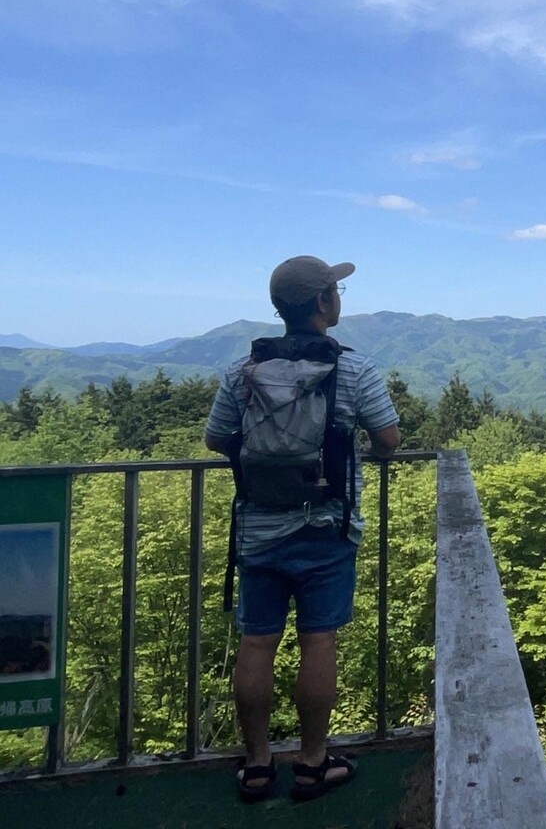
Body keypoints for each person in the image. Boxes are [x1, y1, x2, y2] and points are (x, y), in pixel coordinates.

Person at [205, 256, 400, 802]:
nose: (340, 298)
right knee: (319, 640)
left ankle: (259, 765)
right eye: (337, 290)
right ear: (322, 303)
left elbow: (217, 440)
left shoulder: (242, 371)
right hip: (326, 528)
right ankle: (313, 764)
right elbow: (388, 440)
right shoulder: (353, 370)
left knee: (257, 641)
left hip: (258, 530)